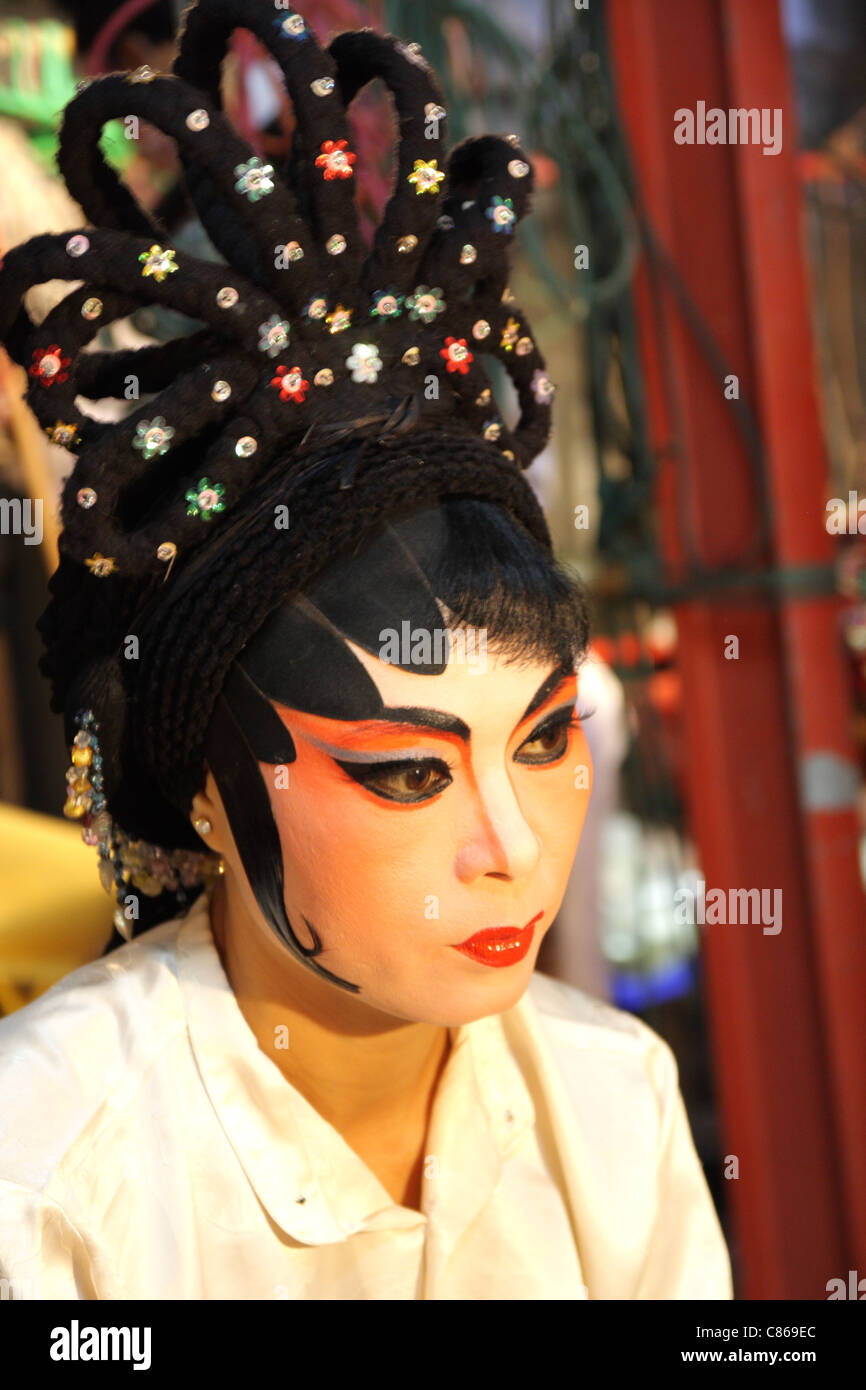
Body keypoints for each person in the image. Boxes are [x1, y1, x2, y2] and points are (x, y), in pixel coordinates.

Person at [0, 0, 732, 1300]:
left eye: (545, 737)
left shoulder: (612, 1100)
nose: (510, 846)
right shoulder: (49, 1164)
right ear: (215, 795)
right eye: (407, 771)